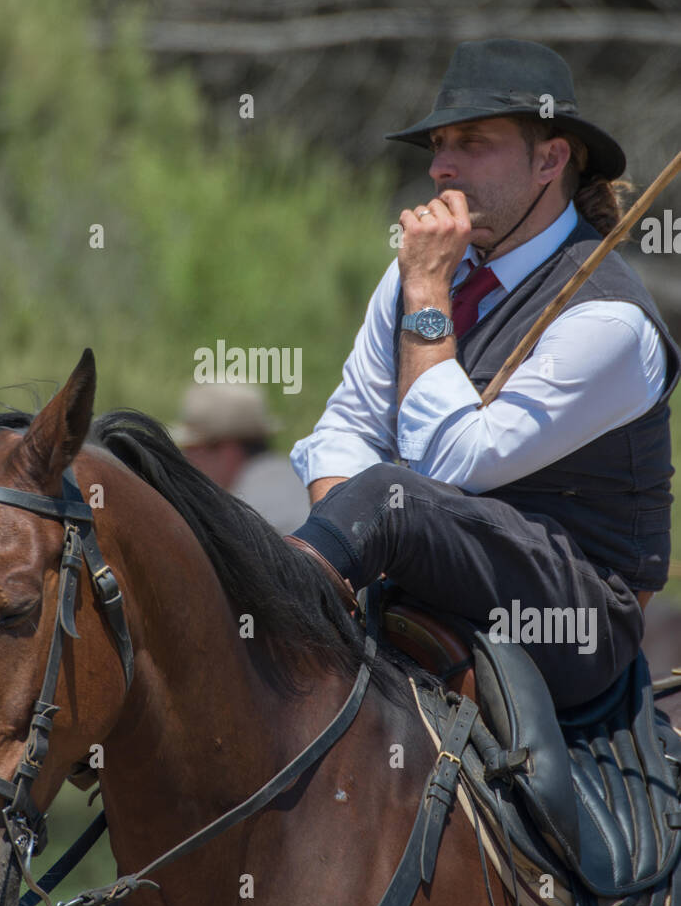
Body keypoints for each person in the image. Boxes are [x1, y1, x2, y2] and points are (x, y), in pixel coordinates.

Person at [287, 38, 680, 711]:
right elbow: (345, 428)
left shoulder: (609, 322)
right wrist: (347, 541)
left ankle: (270, 613)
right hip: (419, 563)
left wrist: (428, 297)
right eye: (439, 144)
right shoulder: (419, 271)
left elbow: (451, 465)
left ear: (548, 160)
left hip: (575, 614)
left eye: (471, 142)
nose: (440, 167)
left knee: (392, 497)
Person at [171, 383, 309, 535]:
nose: (187, 459)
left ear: (227, 450)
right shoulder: (298, 474)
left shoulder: (241, 509)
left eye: (192, 449)